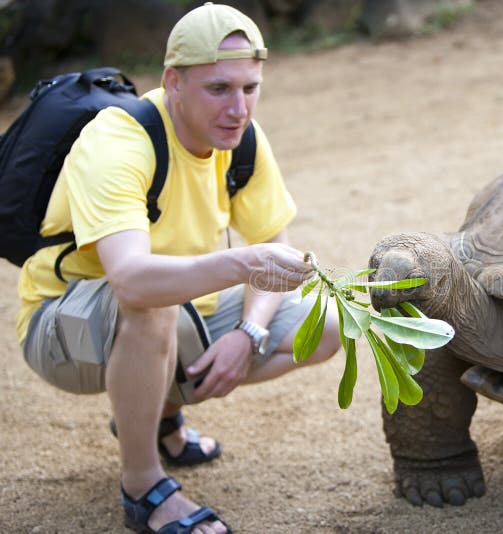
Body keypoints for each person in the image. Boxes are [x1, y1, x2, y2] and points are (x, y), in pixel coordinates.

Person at [15, 3, 341, 532]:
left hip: (177, 316)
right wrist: (245, 262)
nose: (239, 108)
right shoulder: (119, 140)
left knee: (324, 324)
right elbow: (131, 280)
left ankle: (156, 412)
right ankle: (143, 485)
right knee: (151, 303)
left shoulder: (244, 140)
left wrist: (250, 333)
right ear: (174, 81)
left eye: (250, 88)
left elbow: (275, 252)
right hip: (62, 326)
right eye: (219, 89)